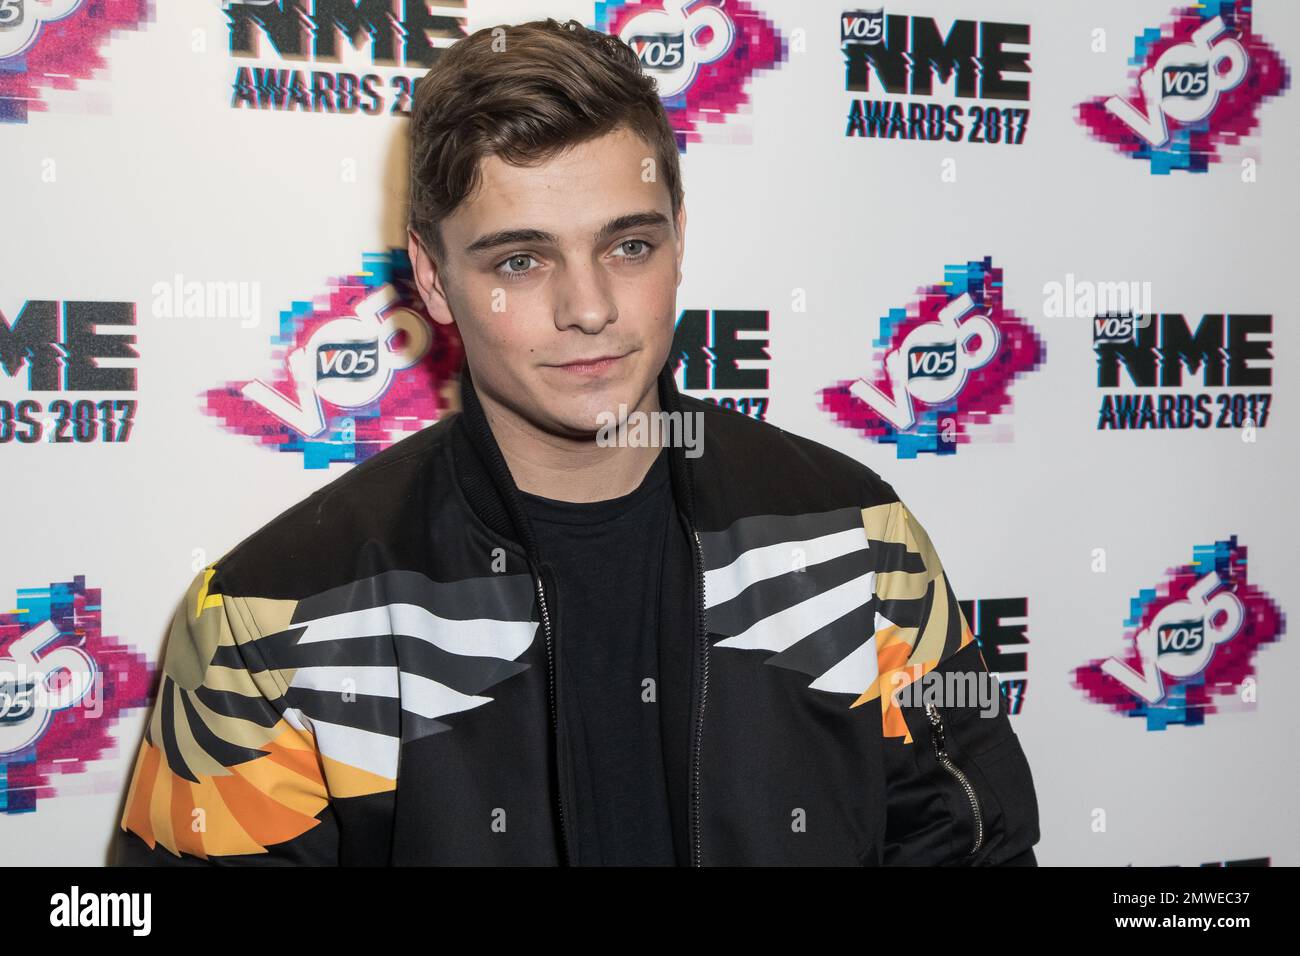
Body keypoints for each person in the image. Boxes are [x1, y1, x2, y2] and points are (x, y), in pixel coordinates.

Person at [111, 18, 1039, 866]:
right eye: (521, 260)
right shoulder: (268, 617)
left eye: (628, 246)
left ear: (680, 239)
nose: (589, 309)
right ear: (433, 281)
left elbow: (977, 853)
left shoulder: (856, 542)